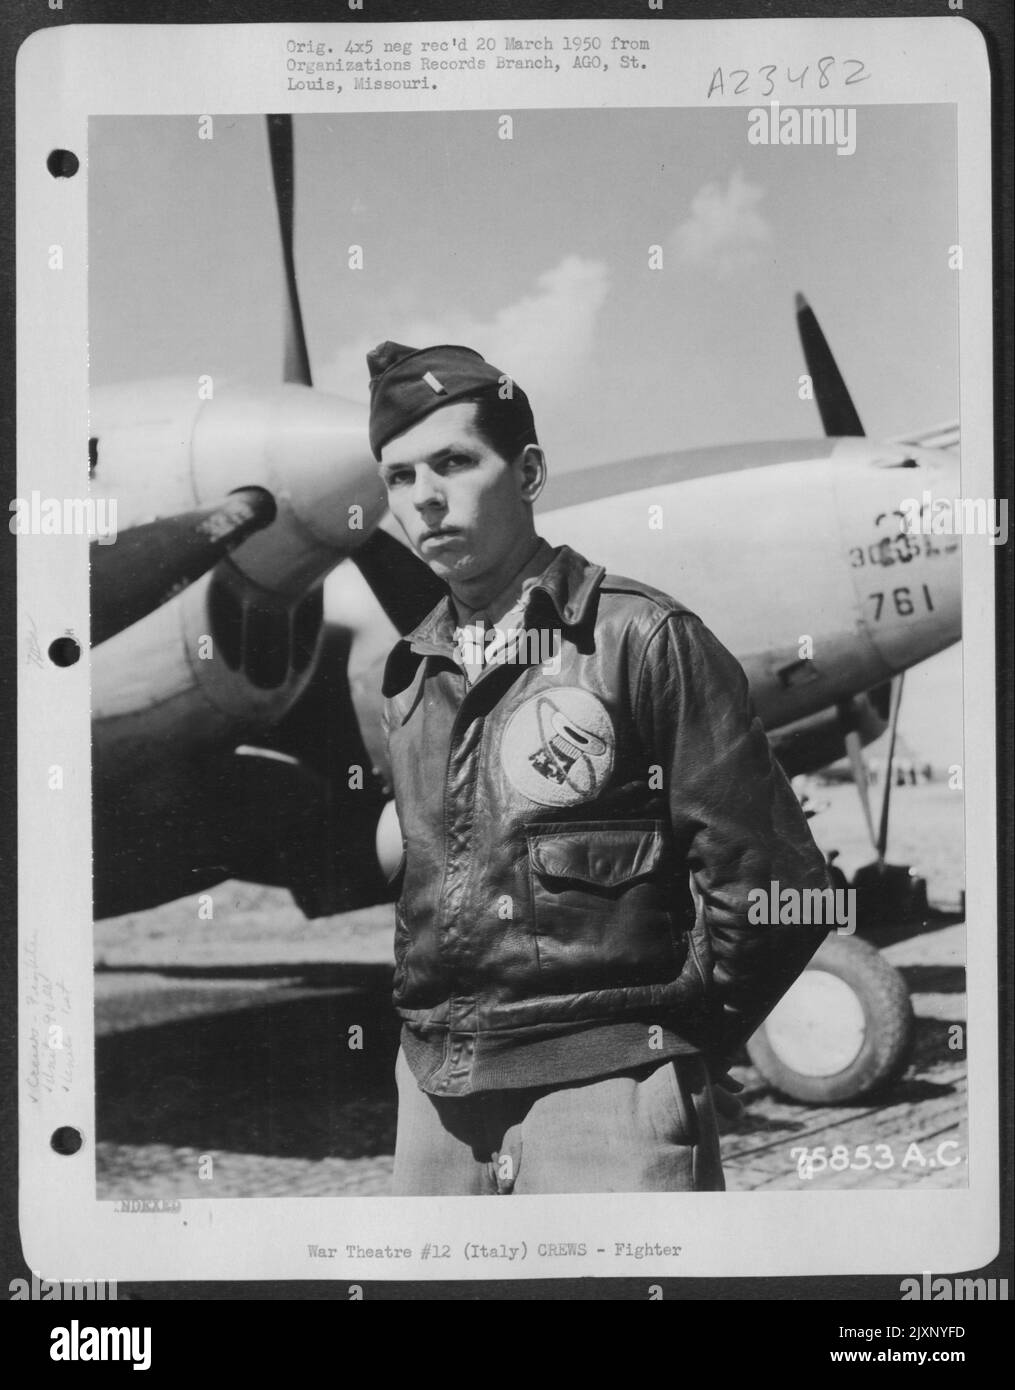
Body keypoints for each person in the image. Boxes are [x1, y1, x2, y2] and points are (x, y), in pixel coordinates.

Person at [368, 340, 831, 1195]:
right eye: (399, 477)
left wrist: (676, 1043)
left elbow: (774, 885)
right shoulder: (407, 671)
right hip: (433, 1098)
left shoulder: (642, 639)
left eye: (454, 462)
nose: (424, 499)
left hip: (606, 1091)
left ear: (529, 471)